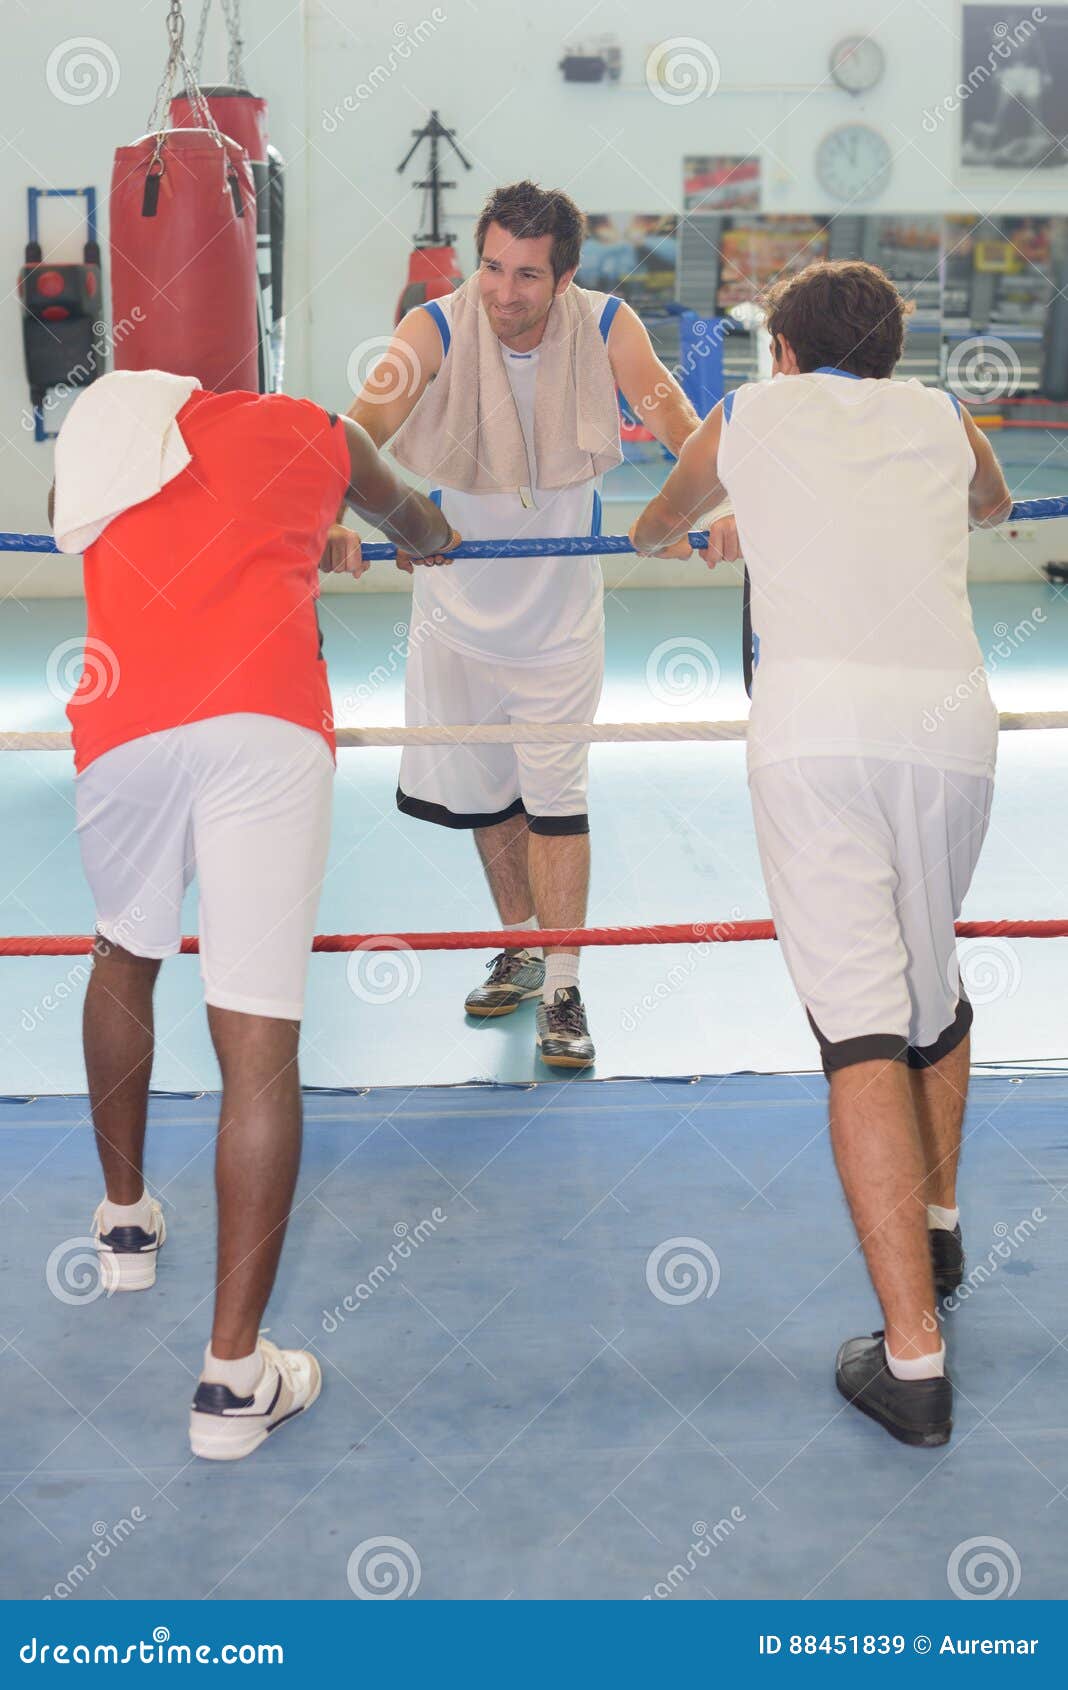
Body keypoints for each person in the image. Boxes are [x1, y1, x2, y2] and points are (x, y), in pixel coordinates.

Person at [630, 260, 1013, 1447]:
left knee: (858, 1028)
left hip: (818, 736)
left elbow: (655, 527)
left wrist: (729, 520)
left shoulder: (751, 411)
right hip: (951, 727)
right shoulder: (942, 410)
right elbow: (992, 506)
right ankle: (938, 1224)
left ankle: (912, 1362)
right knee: (931, 986)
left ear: (783, 352)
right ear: (891, 353)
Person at [50, 369, 455, 1461]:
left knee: (124, 946)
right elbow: (425, 522)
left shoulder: (102, 430)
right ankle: (233, 1381)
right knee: (258, 1039)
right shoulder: (310, 428)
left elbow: (88, 523)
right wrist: (353, 529)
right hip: (264, 722)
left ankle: (126, 1223)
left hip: (121, 714)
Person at [324, 180, 725, 1069]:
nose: (505, 292)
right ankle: (521, 943)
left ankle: (567, 986)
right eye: (494, 268)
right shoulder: (431, 328)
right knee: (484, 799)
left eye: (529, 277)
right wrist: (335, 515)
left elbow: (682, 426)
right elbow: (357, 432)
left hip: (556, 617)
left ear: (567, 277)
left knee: (555, 802)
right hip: (453, 615)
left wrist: (710, 508)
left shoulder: (610, 325)